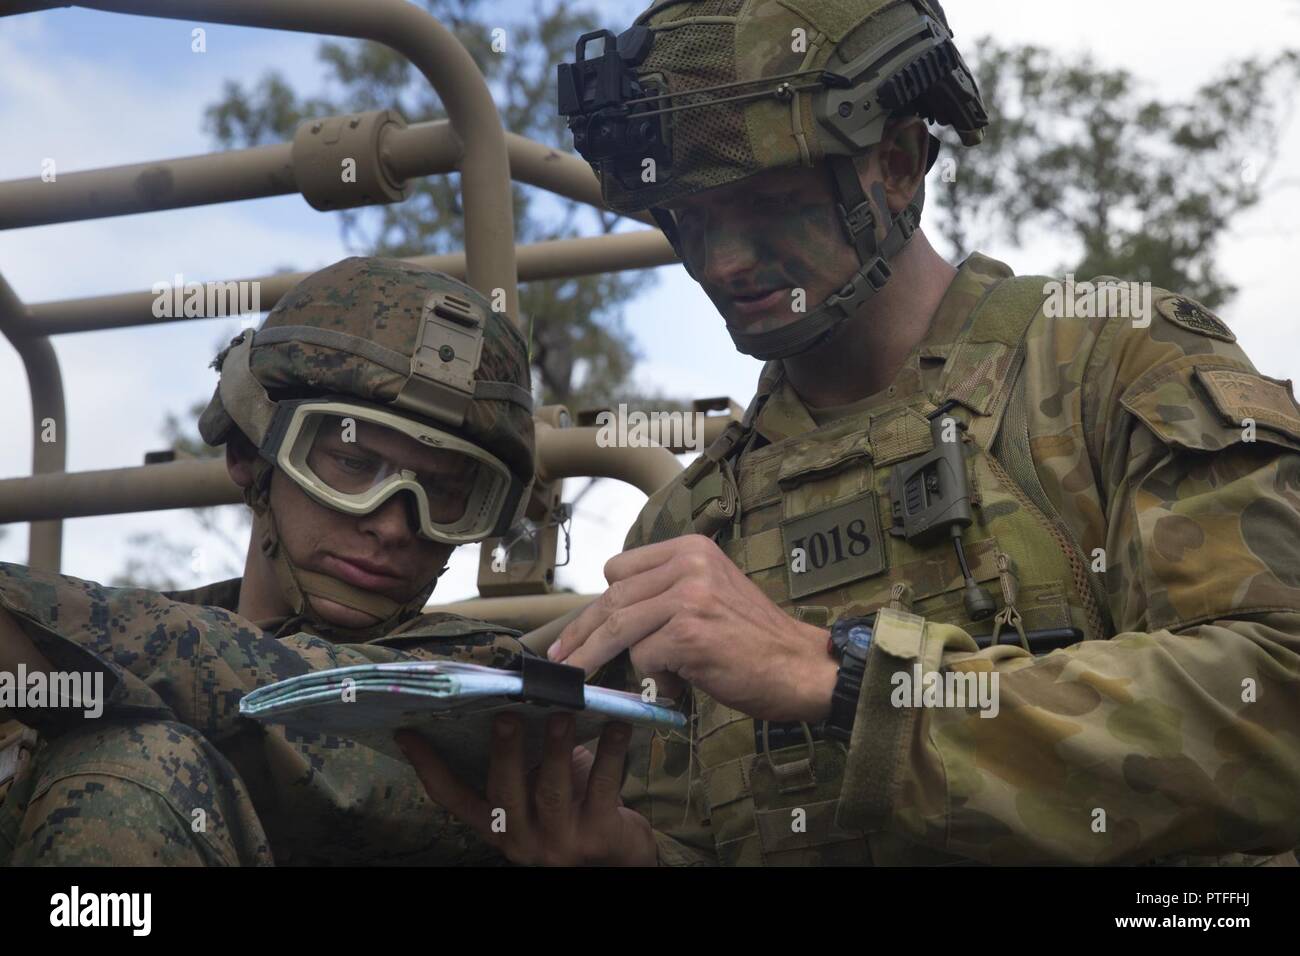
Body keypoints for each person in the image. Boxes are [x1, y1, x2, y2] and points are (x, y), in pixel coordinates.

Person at [401, 0, 1300, 865]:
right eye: (688, 217)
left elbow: (1273, 698)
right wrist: (631, 854)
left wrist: (845, 682)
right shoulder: (686, 528)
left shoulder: (1110, 368)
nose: (721, 261)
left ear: (900, 162)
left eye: (765, 204)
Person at [0, 256, 538, 865]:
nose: (392, 524)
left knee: (131, 766)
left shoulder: (484, 687)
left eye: (441, 494)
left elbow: (252, 679)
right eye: (353, 465)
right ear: (250, 455)